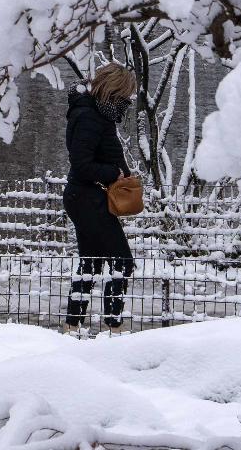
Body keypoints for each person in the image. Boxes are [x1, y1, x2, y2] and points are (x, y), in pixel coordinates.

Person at [65, 63, 137, 329]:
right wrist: (114, 174)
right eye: (125, 95)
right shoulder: (89, 117)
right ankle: (113, 326)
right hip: (87, 197)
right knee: (122, 261)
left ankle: (73, 326)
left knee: (92, 263)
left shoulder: (96, 113)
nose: (127, 102)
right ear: (113, 91)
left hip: (87, 197)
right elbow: (81, 164)